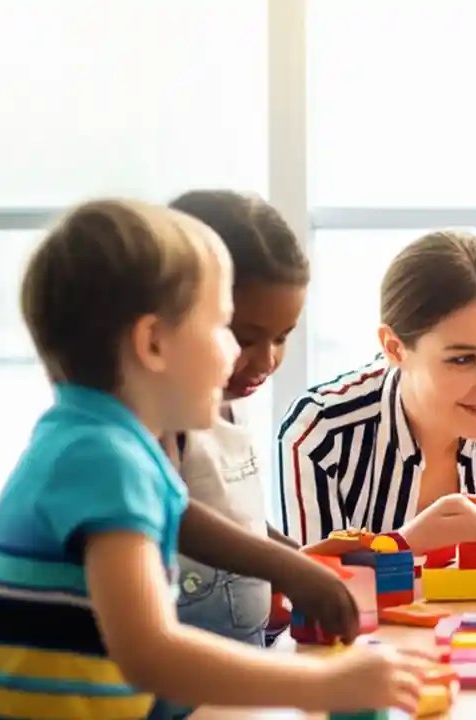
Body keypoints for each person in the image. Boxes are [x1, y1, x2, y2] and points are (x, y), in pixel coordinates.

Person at [0, 199, 429, 720]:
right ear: (153, 342)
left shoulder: (94, 441)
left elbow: (188, 521)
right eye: (225, 327)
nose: (238, 356)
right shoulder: (104, 459)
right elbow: (152, 654)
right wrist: (319, 682)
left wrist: (297, 565)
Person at [143, 190, 361, 720]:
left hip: (236, 669)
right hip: (177, 691)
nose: (266, 360)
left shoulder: (222, 401)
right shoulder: (158, 418)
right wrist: (289, 567)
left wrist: (304, 556)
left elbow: (234, 517)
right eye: (244, 337)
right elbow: (179, 513)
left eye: (283, 337)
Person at [278, 229, 476, 569]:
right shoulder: (322, 433)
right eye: (464, 359)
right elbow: (314, 600)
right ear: (395, 348)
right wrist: (402, 546)